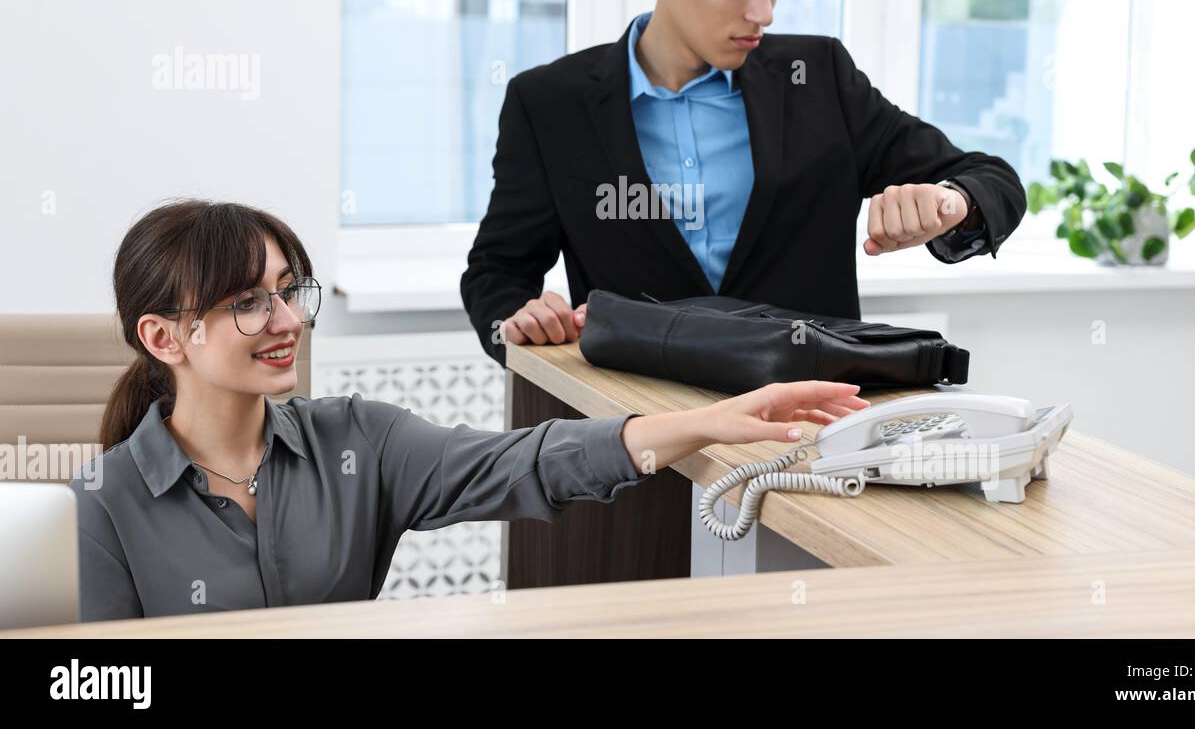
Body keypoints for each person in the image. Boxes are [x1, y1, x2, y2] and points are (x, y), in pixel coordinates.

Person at [68, 199, 869, 621]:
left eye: (289, 291)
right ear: (165, 335)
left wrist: (710, 420)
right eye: (249, 302)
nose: (285, 322)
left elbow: (523, 460)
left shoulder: (358, 439)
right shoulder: (99, 507)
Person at [461, 0, 1026, 366]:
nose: (764, 12)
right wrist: (517, 318)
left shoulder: (820, 78)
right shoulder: (550, 102)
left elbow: (992, 180)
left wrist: (953, 203)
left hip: (805, 428)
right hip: (631, 433)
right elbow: (497, 270)